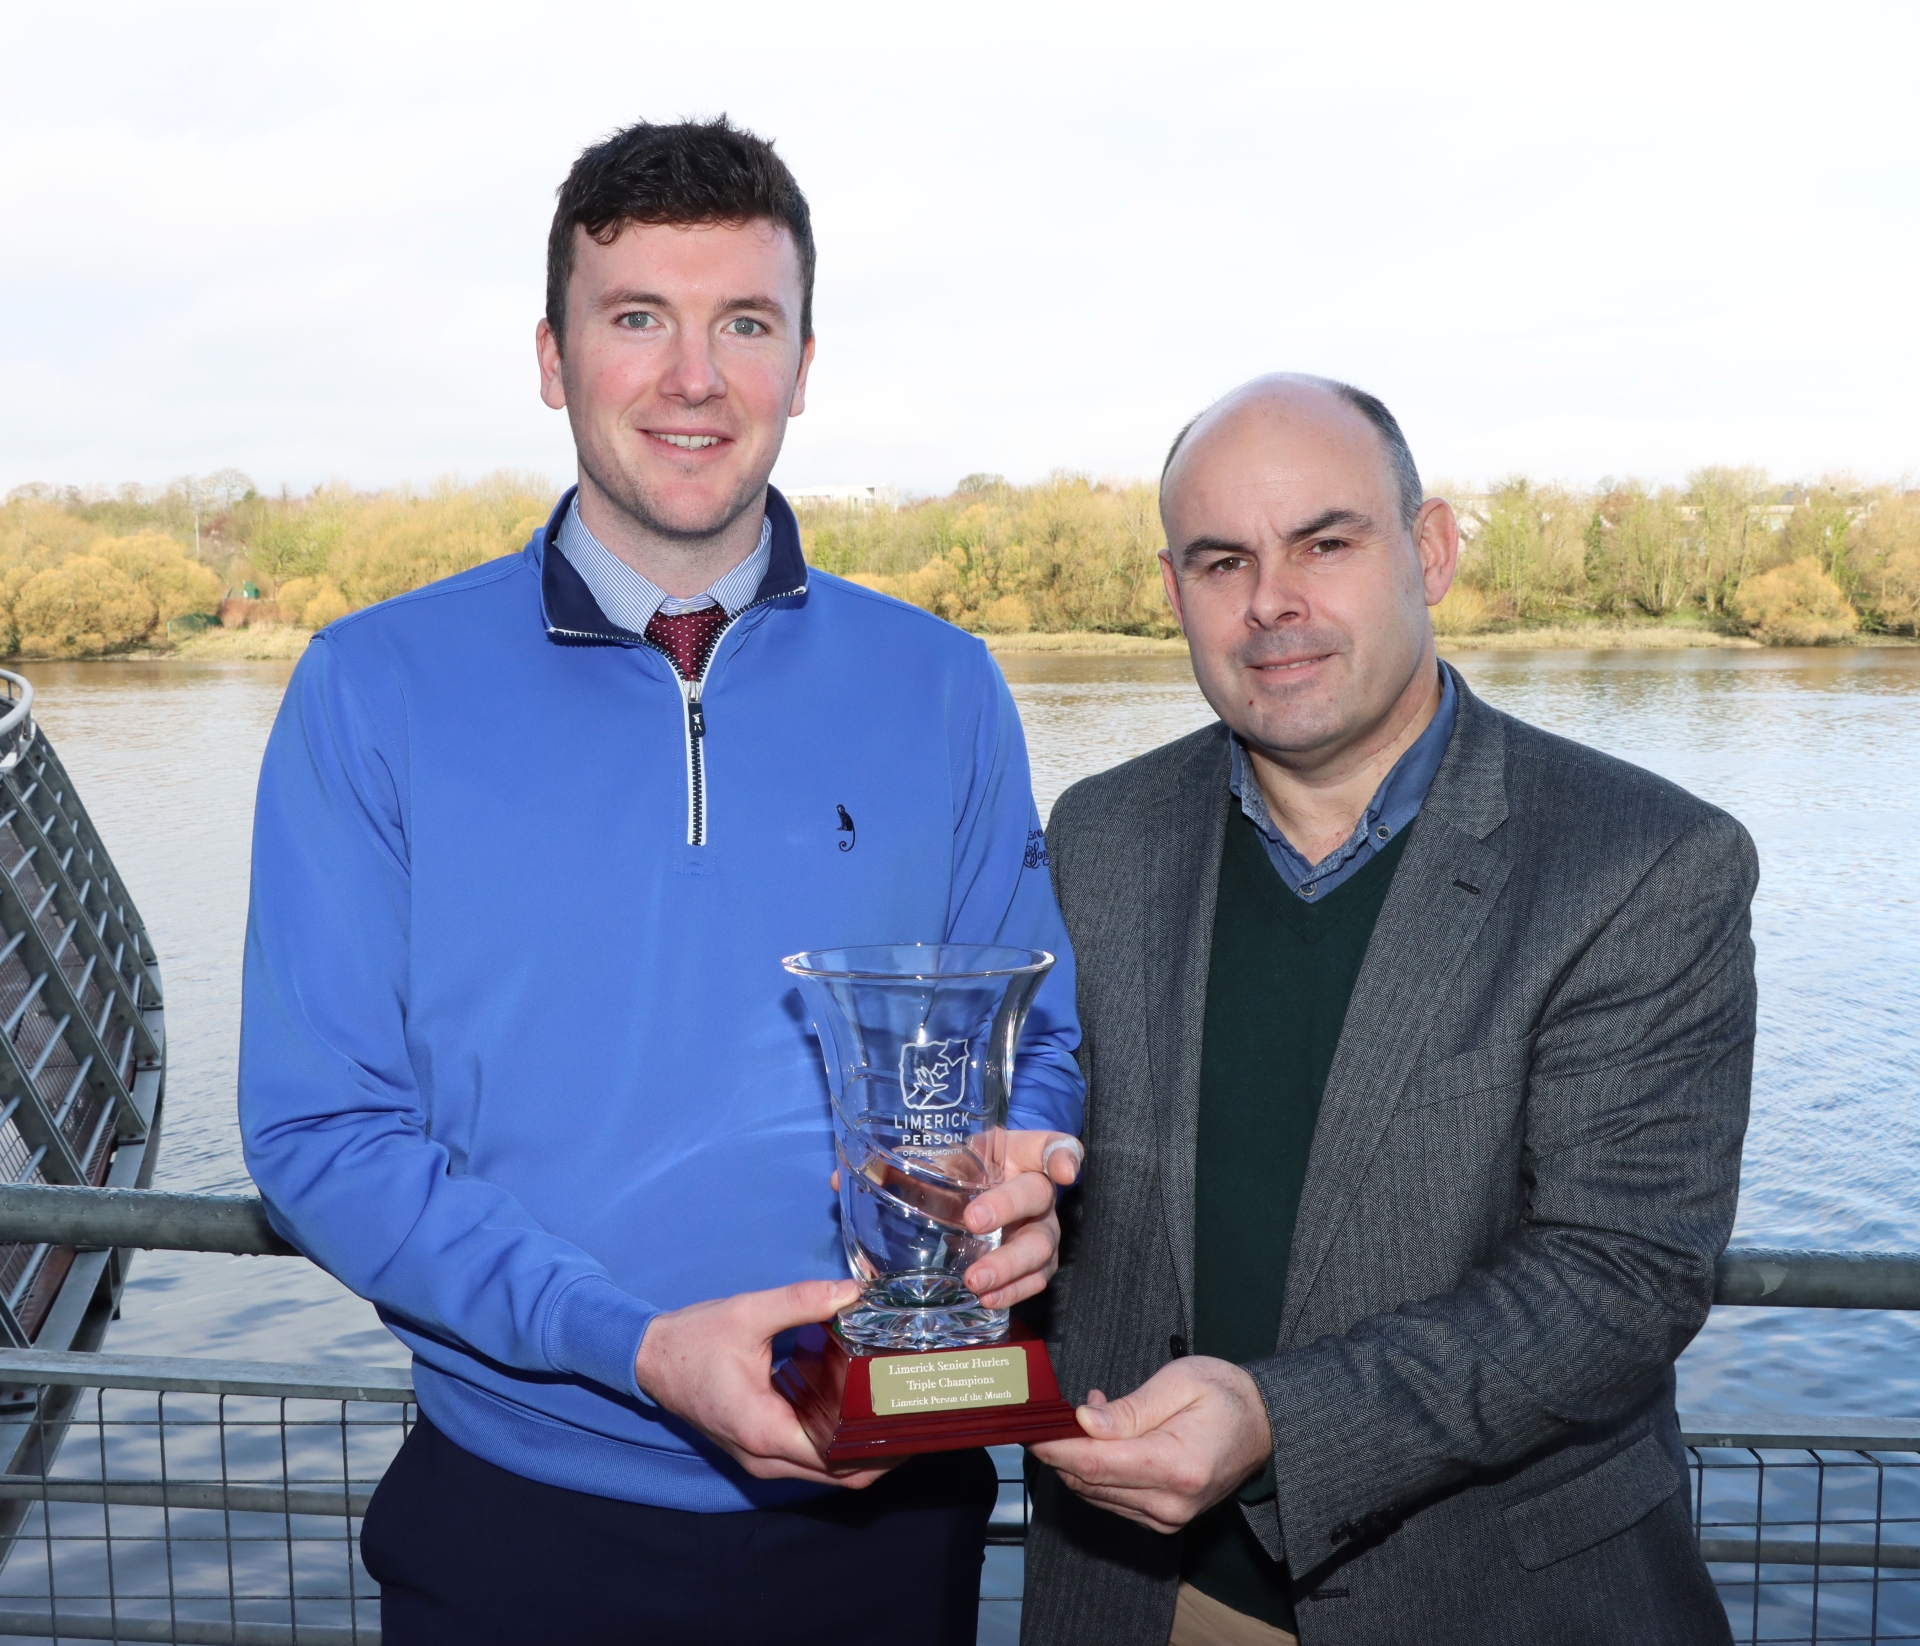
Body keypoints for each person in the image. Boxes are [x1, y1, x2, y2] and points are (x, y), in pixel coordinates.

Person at [238, 117, 1084, 1646]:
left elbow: (1040, 1037)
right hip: (520, 1525)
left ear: (804, 362)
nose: (694, 377)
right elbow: (318, 1128)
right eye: (638, 318)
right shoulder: (371, 688)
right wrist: (626, 1346)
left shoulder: (945, 685)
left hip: (892, 1511)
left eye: (743, 323)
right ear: (554, 357)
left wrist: (1027, 1173)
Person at [1021, 375, 1755, 1646]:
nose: (1271, 602)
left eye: (1325, 542)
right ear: (1172, 590)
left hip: (1501, 1603)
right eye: (1221, 560)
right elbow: (1056, 1179)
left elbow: (1620, 1277)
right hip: (1147, 1600)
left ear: (1432, 549)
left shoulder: (1641, 860)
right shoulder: (1100, 836)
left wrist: (1276, 1421)